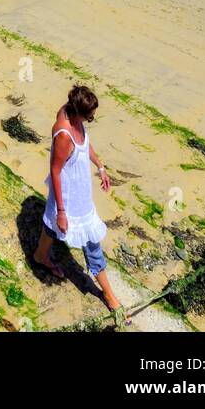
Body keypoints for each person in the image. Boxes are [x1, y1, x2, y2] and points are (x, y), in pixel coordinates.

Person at [34, 85, 127, 326]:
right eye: (89, 116)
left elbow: (86, 145)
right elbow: (55, 171)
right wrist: (62, 211)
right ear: (77, 112)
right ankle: (109, 294)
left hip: (81, 194)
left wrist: (101, 166)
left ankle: (40, 255)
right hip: (67, 197)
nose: (91, 119)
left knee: (55, 230)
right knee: (74, 235)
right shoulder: (63, 134)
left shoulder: (74, 118)